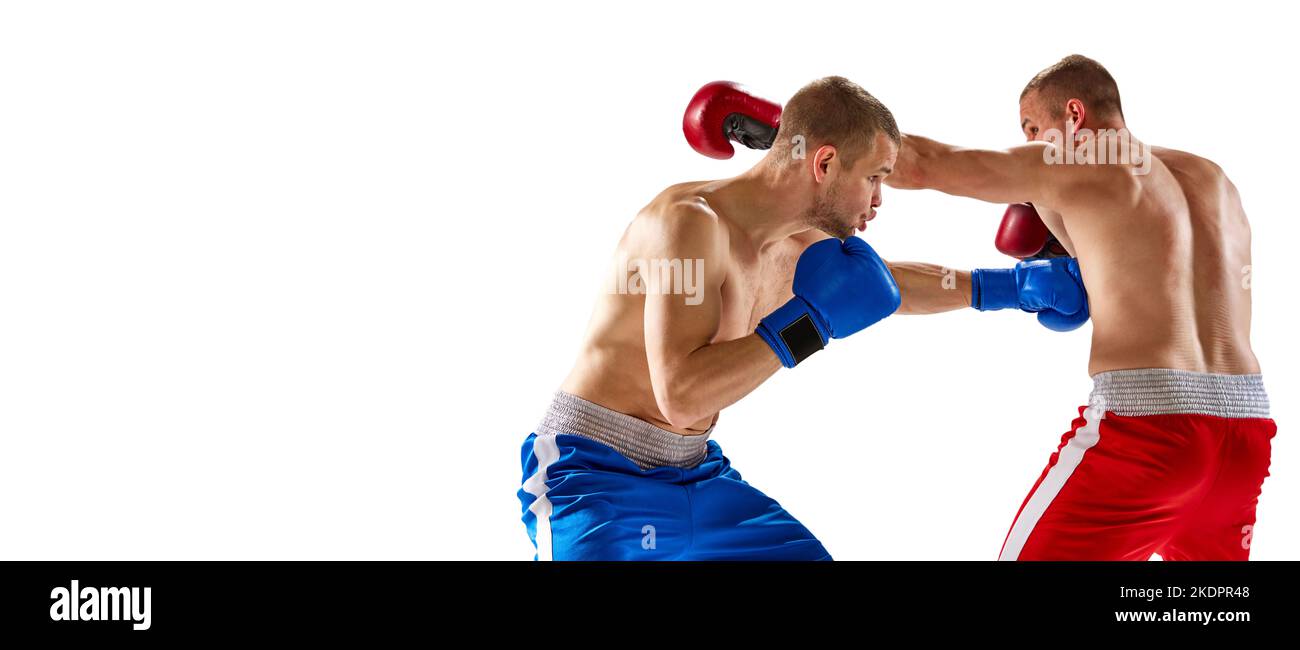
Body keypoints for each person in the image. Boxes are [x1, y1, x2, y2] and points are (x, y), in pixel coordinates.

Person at [518, 77, 1088, 560]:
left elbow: (882, 287)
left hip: (694, 474)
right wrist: (809, 323)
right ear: (823, 161)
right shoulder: (687, 226)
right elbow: (682, 397)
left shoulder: (791, 241)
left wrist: (1012, 288)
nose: (879, 200)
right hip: (591, 480)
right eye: (876, 177)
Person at [885, 55, 1275, 560]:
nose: (1029, 145)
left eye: (1032, 128)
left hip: (1149, 428)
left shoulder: (1074, 161)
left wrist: (793, 131)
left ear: (1073, 115)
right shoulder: (1213, 178)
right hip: (1245, 433)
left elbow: (922, 164)